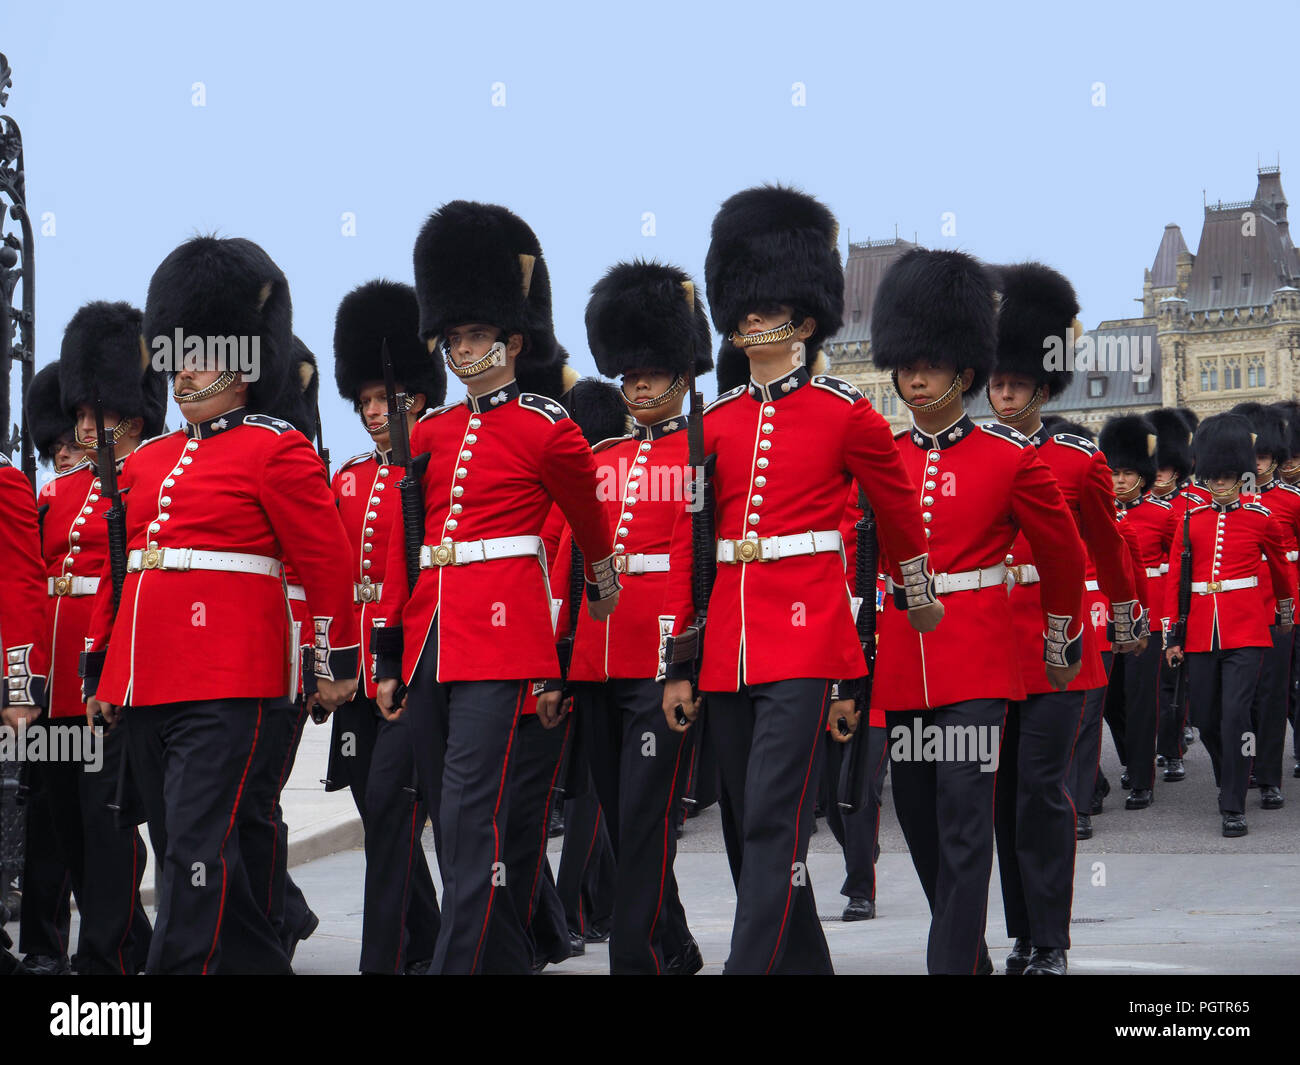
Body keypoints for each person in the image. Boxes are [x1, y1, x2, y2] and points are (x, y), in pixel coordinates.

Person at [661, 186, 942, 975]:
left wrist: (915, 600)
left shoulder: (846, 413)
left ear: (806, 321)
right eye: (744, 308)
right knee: (748, 817)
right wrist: (680, 659)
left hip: (807, 634)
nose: (752, 321)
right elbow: (697, 547)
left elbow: (895, 517)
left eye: (768, 308)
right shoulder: (710, 424)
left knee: (774, 818)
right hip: (727, 644)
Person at [82, 235, 360, 974]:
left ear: (242, 363)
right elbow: (124, 574)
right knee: (183, 847)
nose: (180, 370)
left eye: (198, 355)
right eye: (175, 353)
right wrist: (105, 677)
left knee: (200, 847)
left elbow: (328, 563)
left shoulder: (277, 447)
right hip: (149, 685)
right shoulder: (146, 461)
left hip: (231, 684)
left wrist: (336, 662)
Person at [373, 201, 621, 975]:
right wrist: (388, 653)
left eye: (475, 335)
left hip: (502, 635)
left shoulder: (548, 425)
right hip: (431, 639)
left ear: (510, 340)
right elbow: (402, 554)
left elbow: (588, 523)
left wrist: (596, 592)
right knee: (450, 825)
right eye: (453, 336)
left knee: (471, 815)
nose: (461, 348)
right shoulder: (435, 433)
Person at [868, 247, 1086, 976]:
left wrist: (1061, 634)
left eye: (927, 366)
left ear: (963, 373)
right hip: (905, 664)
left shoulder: (1007, 457)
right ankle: (969, 949)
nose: (912, 378)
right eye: (905, 366)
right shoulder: (884, 456)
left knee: (966, 824)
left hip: (979, 668)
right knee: (921, 825)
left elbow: (1060, 554)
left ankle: (953, 965)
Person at [548, 260, 708, 974]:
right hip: (594, 656)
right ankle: (674, 941)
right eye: (629, 374)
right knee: (620, 817)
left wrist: (682, 659)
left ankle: (635, 960)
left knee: (645, 818)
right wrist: (557, 658)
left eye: (651, 373)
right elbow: (568, 556)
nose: (637, 386)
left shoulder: (700, 452)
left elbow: (693, 560)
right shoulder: (602, 453)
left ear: (680, 370)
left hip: (656, 656)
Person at [985, 262, 1142, 977]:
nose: (1003, 392)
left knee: (1043, 793)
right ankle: (1020, 929)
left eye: (1016, 383)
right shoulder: (978, 455)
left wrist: (1130, 614)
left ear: (1042, 390)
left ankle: (1050, 939)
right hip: (992, 645)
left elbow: (1109, 547)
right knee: (1000, 796)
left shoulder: (1078, 460)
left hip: (1060, 644)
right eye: (996, 381)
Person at [330, 280, 444, 974]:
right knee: (384, 820)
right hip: (366, 673)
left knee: (397, 814)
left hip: (418, 668)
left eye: (388, 399)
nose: (376, 413)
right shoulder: (347, 477)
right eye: (367, 402)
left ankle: (382, 961)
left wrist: (397, 660)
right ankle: (434, 942)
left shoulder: (438, 464)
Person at [1165, 414, 1296, 837]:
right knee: (1205, 717)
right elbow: (1175, 579)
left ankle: (1233, 802)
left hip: (1247, 630)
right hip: (1203, 628)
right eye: (1213, 478)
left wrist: (1284, 611)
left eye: (1226, 477)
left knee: (1238, 713)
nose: (1219, 485)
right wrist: (1174, 632)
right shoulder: (1191, 520)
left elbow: (1280, 571)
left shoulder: (1261, 518)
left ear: (1238, 476)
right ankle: (1234, 772)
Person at [1097, 414, 1173, 811]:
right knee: (1108, 701)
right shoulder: (1099, 516)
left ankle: (1142, 779)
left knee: (1142, 700)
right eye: (1114, 473)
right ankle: (1131, 758)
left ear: (1142, 476)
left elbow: (1177, 568)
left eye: (1128, 473)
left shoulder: (1164, 515)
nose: (1120, 480)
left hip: (1148, 618)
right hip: (1105, 619)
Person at [1229, 402, 1300, 809]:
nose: (1256, 463)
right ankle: (1243, 764)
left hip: (1276, 612)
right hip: (1235, 613)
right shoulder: (1219, 504)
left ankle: (1268, 774)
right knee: (1236, 701)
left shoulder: (1290, 500)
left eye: (1262, 455)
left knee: (1272, 697)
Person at [1146, 407, 1203, 781]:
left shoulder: (1193, 504)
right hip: (1145, 603)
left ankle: (1172, 750)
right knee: (1146, 690)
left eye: (1163, 469)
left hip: (1179, 602)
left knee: (1172, 685)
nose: (1157, 475)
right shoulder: (1141, 504)